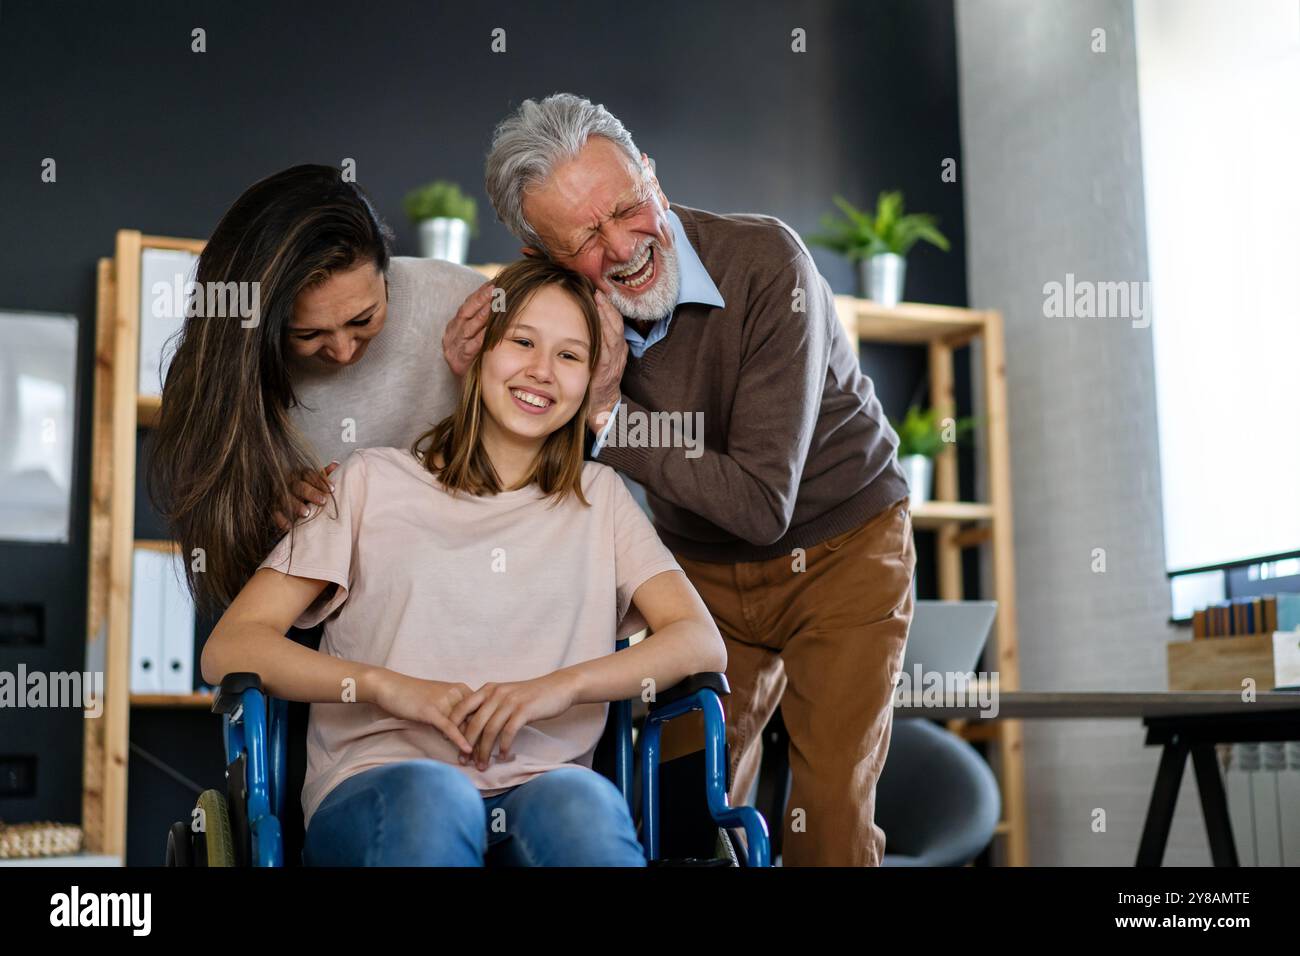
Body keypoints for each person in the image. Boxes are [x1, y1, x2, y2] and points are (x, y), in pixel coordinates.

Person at [446, 94, 916, 866]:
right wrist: (477, 377)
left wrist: (604, 415)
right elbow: (509, 433)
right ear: (548, 255)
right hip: (698, 563)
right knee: (680, 797)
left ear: (653, 178)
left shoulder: (769, 264)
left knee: (827, 808)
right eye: (587, 239)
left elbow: (764, 504)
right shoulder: (548, 304)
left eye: (629, 207)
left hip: (842, 544)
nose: (624, 246)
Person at [200, 257, 726, 866]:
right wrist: (389, 689)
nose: (541, 372)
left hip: (540, 790)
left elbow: (699, 641)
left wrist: (557, 690)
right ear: (477, 350)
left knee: (583, 803)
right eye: (523, 342)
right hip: (384, 790)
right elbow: (231, 646)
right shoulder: (368, 482)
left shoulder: (601, 499)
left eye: (570, 355)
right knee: (435, 794)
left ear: (589, 383)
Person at [150, 164, 502, 610]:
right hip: (330, 621)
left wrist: (480, 385)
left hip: (465, 597)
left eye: (363, 319)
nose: (341, 351)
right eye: (308, 334)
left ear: (385, 266)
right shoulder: (236, 373)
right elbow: (236, 563)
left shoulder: (459, 301)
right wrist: (268, 512)